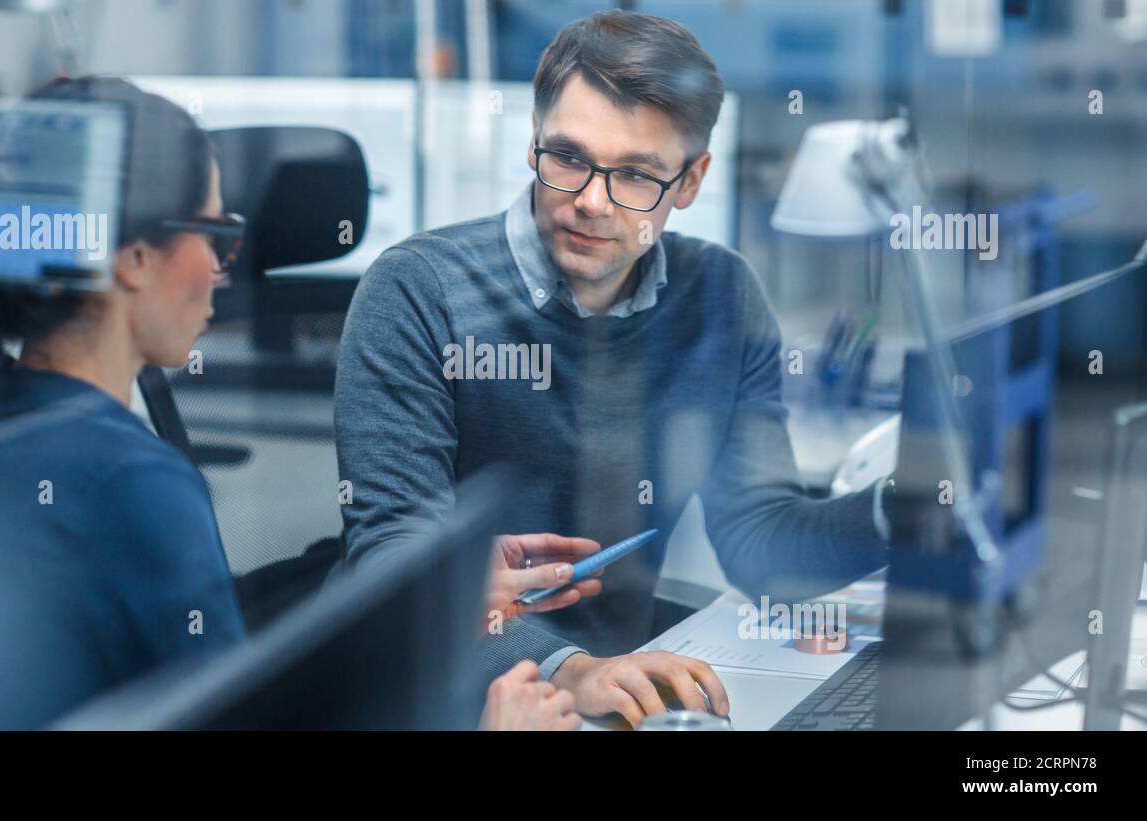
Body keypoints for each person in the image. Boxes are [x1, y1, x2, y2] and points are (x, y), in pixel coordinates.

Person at [0, 76, 584, 731]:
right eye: (216, 235)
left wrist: (426, 597)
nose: (224, 268)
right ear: (134, 258)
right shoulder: (135, 480)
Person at [335, 10, 887, 728]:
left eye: (634, 174)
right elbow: (395, 566)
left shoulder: (720, 294)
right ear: (533, 144)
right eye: (568, 157)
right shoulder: (417, 291)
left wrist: (902, 508)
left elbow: (759, 537)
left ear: (690, 181)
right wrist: (576, 671)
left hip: (624, 696)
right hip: (450, 699)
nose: (591, 201)